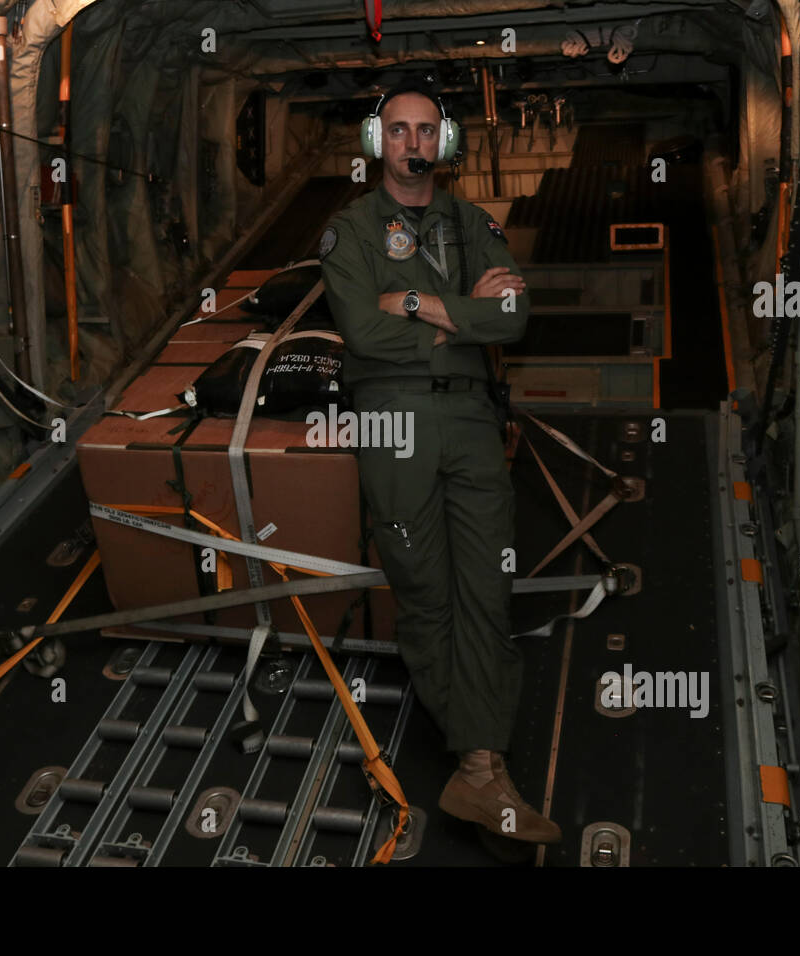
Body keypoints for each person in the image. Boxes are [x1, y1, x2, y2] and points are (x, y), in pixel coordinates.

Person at [319, 78, 561, 844]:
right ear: (374, 141)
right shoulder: (350, 229)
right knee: (425, 590)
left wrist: (416, 304)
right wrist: (465, 313)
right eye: (399, 130)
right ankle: (479, 763)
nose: (413, 143)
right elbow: (361, 331)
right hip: (392, 419)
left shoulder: (474, 222)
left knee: (487, 587)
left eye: (427, 131)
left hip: (467, 416)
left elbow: (516, 319)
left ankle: (480, 771)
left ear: (445, 143)